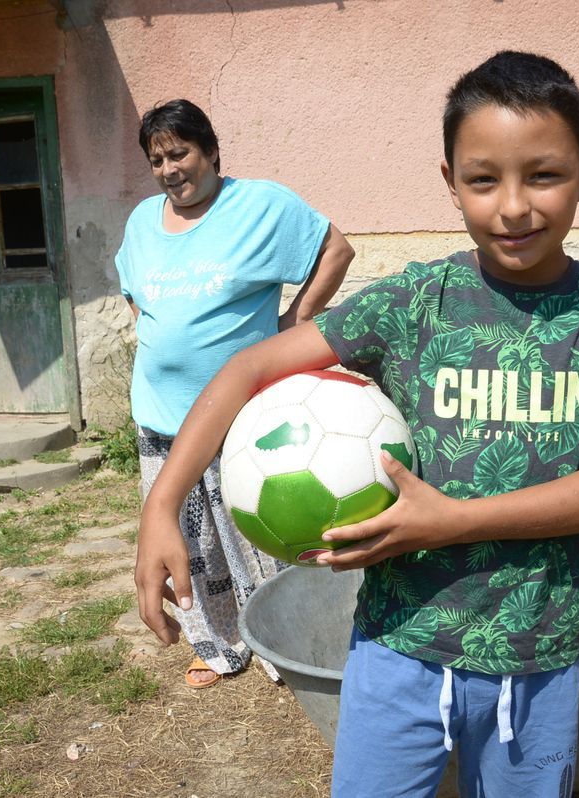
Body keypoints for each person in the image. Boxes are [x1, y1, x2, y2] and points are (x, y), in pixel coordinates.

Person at [134, 52, 579, 795]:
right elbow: (247, 369)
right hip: (398, 647)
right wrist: (162, 504)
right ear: (450, 182)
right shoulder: (415, 303)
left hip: (536, 656)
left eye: (544, 174)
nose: (513, 206)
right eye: (483, 180)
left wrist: (452, 521)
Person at [117, 98, 354, 689]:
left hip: (240, 412)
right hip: (160, 414)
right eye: (157, 160)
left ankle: (283, 642)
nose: (169, 169)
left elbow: (336, 250)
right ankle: (219, 643)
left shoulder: (261, 206)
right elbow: (132, 289)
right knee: (192, 541)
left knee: (259, 529)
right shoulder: (143, 220)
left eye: (180, 154)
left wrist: (297, 320)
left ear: (212, 151)